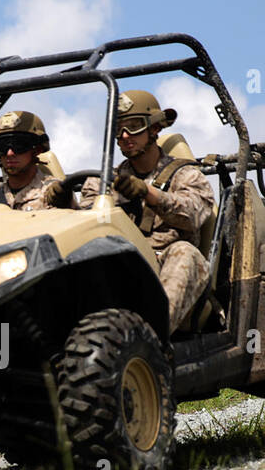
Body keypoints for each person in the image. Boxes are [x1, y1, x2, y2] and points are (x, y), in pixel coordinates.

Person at [79, 90, 216, 333]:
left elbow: (193, 215)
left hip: (166, 265)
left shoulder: (186, 175)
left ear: (154, 129)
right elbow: (82, 225)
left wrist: (148, 193)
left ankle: (152, 341)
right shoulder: (102, 181)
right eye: (118, 129)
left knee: (185, 253)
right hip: (121, 264)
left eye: (134, 127)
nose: (124, 136)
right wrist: (64, 203)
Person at [0, 110, 69, 218]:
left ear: (37, 150)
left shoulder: (56, 196)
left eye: (19, 145)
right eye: (2, 147)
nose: (9, 153)